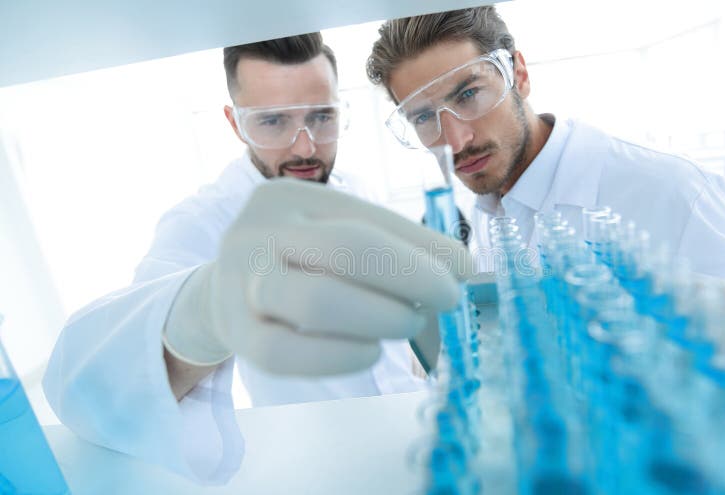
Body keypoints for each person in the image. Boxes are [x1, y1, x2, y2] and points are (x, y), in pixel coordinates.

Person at [43, 33, 469, 484]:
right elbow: (91, 387)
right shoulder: (202, 221)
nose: (305, 147)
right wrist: (210, 310)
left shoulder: (355, 188)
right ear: (235, 122)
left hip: (417, 435)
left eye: (322, 117)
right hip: (322, 472)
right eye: (273, 122)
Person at [366, 6, 725, 335]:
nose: (455, 140)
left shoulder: (669, 189)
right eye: (424, 117)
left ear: (518, 74)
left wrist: (704, 311)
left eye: (468, 94)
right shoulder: (489, 205)